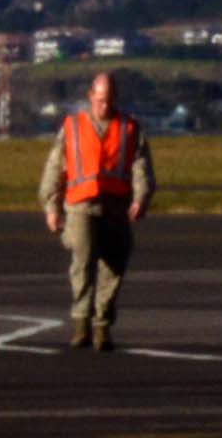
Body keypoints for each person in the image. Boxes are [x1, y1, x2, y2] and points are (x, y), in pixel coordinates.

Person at [40, 69, 155, 352]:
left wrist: (141, 198)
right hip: (80, 206)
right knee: (83, 261)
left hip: (115, 207)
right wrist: (51, 207)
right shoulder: (73, 127)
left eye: (110, 100)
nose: (105, 105)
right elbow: (55, 169)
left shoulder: (129, 129)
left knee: (114, 266)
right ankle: (82, 322)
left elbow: (142, 168)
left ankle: (102, 325)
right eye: (100, 99)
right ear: (91, 97)